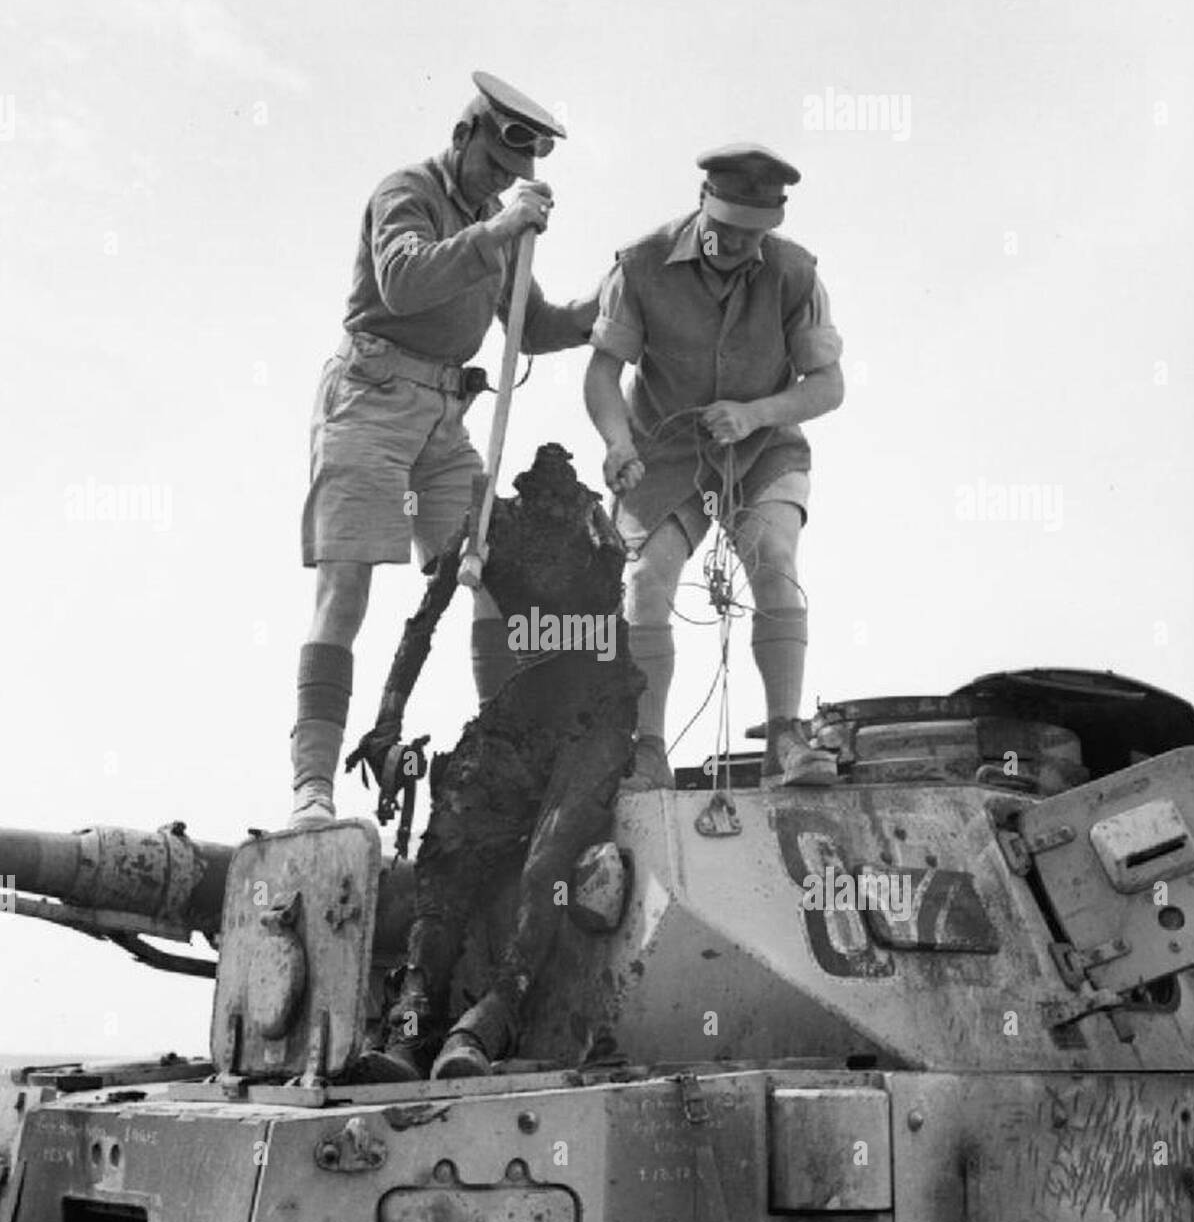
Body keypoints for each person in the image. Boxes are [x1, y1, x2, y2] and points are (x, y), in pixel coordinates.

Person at [290, 72, 598, 829]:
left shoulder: (499, 224)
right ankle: (312, 787)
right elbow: (402, 281)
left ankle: (504, 757)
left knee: (496, 576)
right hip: (370, 402)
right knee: (347, 588)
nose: (502, 184)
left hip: (444, 423)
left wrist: (615, 305)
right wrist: (497, 232)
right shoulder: (408, 192)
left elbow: (537, 326)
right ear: (463, 138)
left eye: (514, 177)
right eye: (495, 166)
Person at [347, 445, 643, 1081]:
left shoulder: (598, 528)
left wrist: (608, 523)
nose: (557, 470)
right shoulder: (489, 524)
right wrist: (385, 728)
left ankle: (493, 1016)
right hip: (528, 705)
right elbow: (421, 624)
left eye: (566, 479)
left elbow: (612, 588)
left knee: (545, 868)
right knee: (447, 850)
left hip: (599, 709)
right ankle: (412, 1024)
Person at [583, 144, 845, 789]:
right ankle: (647, 751)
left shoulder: (795, 273)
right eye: (723, 229)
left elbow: (828, 385)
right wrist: (618, 445)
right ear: (703, 202)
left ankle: (786, 736)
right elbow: (602, 374)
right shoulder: (640, 266)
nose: (733, 245)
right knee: (648, 581)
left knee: (774, 559)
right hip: (664, 453)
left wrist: (756, 414)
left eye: (751, 235)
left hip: (763, 449)